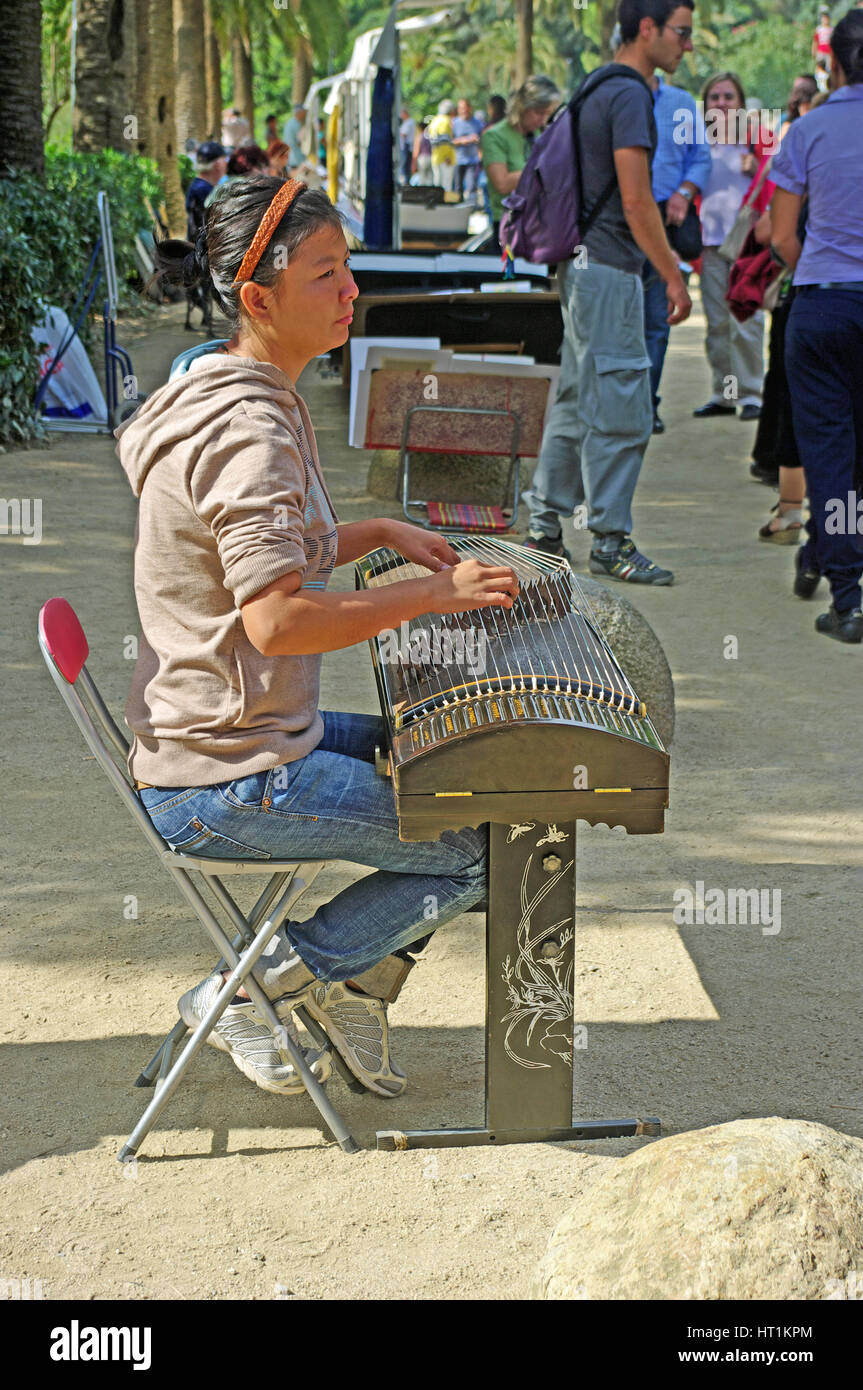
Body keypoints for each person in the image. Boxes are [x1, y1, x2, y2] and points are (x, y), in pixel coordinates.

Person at [115, 175, 518, 1098]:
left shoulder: (225, 385)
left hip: (220, 738)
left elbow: (264, 563)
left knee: (459, 768)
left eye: (347, 270)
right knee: (482, 849)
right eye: (326, 275)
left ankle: (352, 987)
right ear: (258, 299)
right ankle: (256, 989)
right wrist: (432, 593)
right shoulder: (247, 431)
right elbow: (278, 619)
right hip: (224, 778)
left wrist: (374, 535)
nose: (351, 293)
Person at [523, 0, 693, 584]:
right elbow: (637, 198)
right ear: (647, 29)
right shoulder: (630, 96)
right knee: (624, 408)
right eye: (681, 32)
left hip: (580, 265)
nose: (686, 45)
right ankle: (610, 542)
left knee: (575, 398)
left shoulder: (591, 87)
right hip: (611, 267)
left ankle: (545, 528)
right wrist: (671, 272)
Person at [770, 10, 863, 642]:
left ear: (832, 63)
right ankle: (823, 550)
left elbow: (779, 237)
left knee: (829, 452)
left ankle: (848, 593)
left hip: (823, 306)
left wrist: (822, 277)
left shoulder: (807, 129)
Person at [748, 75, 819, 546]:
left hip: (814, 297)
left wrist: (810, 270)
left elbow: (773, 234)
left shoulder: (805, 141)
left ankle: (793, 511)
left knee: (800, 402)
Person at [692, 71, 773, 422]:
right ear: (705, 104)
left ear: (741, 103)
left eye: (728, 97)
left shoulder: (758, 140)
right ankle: (724, 395)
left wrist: (759, 167)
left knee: (747, 322)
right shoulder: (696, 143)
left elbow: (783, 180)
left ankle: (751, 394)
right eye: (715, 97)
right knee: (717, 325)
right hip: (709, 246)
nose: (722, 104)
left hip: (748, 245)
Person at [640, 66, 712, 431]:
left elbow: (701, 157)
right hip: (617, 226)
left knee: (657, 320)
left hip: (665, 222)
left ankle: (646, 406)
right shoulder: (614, 96)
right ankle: (620, 408)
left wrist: (685, 193)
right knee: (618, 321)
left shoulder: (681, 103)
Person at [481, 76, 562, 252]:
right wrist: (545, 168)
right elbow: (501, 183)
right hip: (510, 226)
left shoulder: (541, 135)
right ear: (522, 107)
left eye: (547, 114)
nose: (543, 120)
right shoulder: (494, 136)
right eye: (539, 112)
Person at [452, 98, 484, 199]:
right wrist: (462, 140)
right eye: (461, 108)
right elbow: (450, 141)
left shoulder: (477, 123)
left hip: (472, 160)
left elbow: (483, 140)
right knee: (458, 187)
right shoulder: (454, 123)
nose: (463, 110)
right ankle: (458, 208)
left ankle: (471, 206)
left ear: (470, 108)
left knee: (471, 186)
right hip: (458, 159)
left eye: (465, 108)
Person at [427, 100, 456, 191]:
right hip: (445, 158)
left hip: (435, 156)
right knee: (446, 183)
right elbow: (445, 141)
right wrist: (447, 156)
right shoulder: (446, 121)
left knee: (437, 181)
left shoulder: (434, 121)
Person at [283, 104, 306, 169]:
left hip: (289, 157)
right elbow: (300, 142)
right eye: (303, 112)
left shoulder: (289, 123)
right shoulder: (296, 124)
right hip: (296, 158)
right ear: (299, 112)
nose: (304, 114)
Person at [398, 107, 415, 184]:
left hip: (406, 146)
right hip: (406, 146)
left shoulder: (409, 122)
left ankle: (405, 182)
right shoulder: (407, 122)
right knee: (405, 165)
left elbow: (404, 134)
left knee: (405, 165)